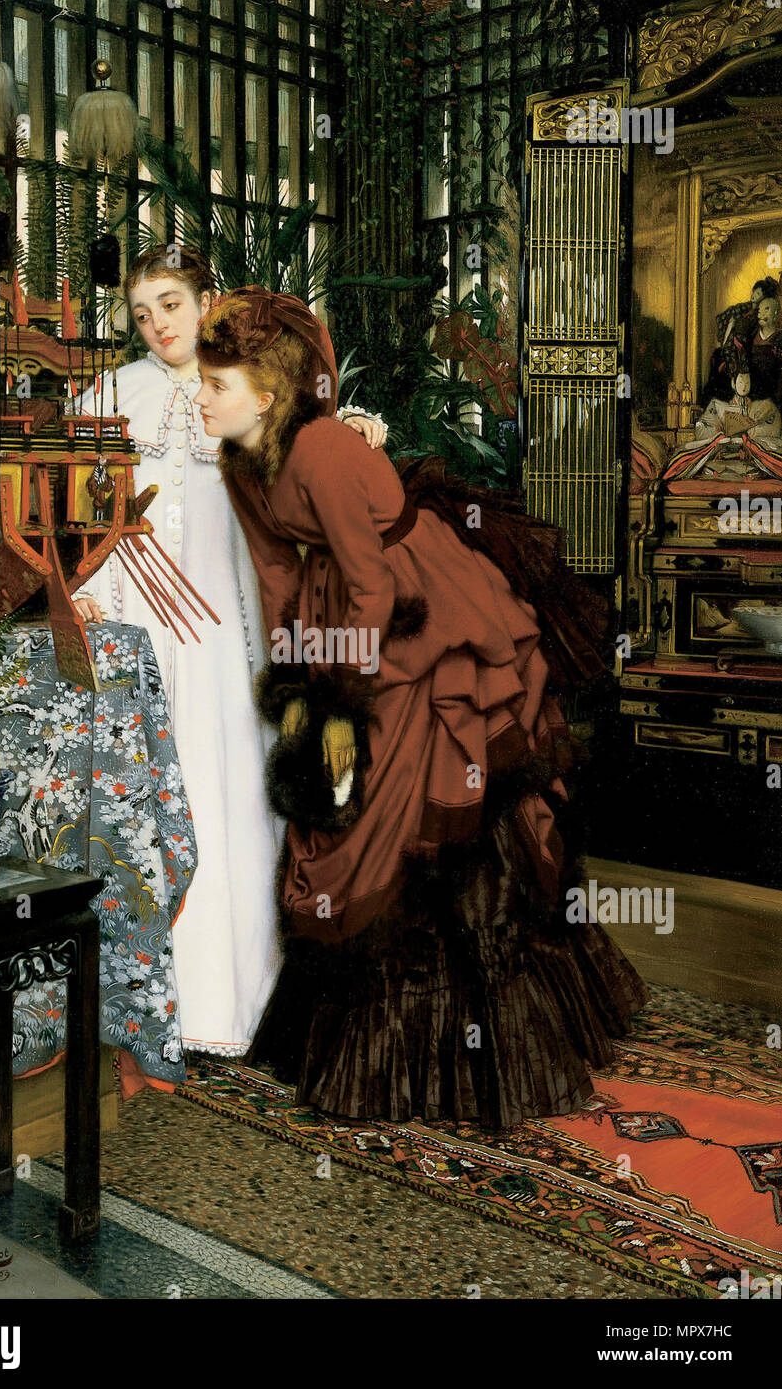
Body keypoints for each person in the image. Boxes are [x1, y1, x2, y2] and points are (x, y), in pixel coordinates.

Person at [194, 287, 648, 1127]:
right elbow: (279, 576)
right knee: (338, 806)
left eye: (215, 384)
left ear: (265, 393)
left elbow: (370, 582)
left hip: (411, 596)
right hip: (344, 601)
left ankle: (462, 1049)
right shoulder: (237, 461)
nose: (200, 397)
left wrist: (341, 698)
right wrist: (297, 684)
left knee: (415, 793)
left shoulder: (324, 450)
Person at [73, 247, 387, 1063]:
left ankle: (238, 999)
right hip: (140, 615)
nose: (158, 325)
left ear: (204, 300)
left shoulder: (244, 378)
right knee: (152, 785)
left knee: (235, 781)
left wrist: (354, 431)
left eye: (171, 304)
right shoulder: (109, 395)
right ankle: (147, 1003)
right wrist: (86, 590)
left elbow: (309, 456)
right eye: (142, 314)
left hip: (231, 614)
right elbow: (76, 508)